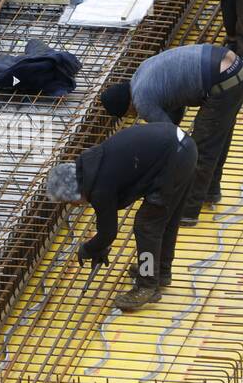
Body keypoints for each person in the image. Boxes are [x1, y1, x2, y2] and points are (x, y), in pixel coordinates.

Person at [45, 121, 196, 312]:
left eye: (69, 201)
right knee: (165, 218)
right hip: (183, 149)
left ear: (74, 192)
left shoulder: (99, 187)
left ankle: (147, 284)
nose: (74, 205)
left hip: (174, 160)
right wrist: (97, 247)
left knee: (147, 226)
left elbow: (108, 233)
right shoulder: (91, 165)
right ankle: (161, 271)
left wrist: (89, 249)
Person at [100, 41, 243, 225]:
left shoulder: (142, 101)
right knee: (217, 136)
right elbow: (175, 105)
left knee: (200, 149)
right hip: (233, 65)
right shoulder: (141, 73)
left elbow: (171, 139)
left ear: (127, 107)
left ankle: (188, 211)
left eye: (130, 114)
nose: (134, 115)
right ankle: (210, 190)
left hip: (224, 80)